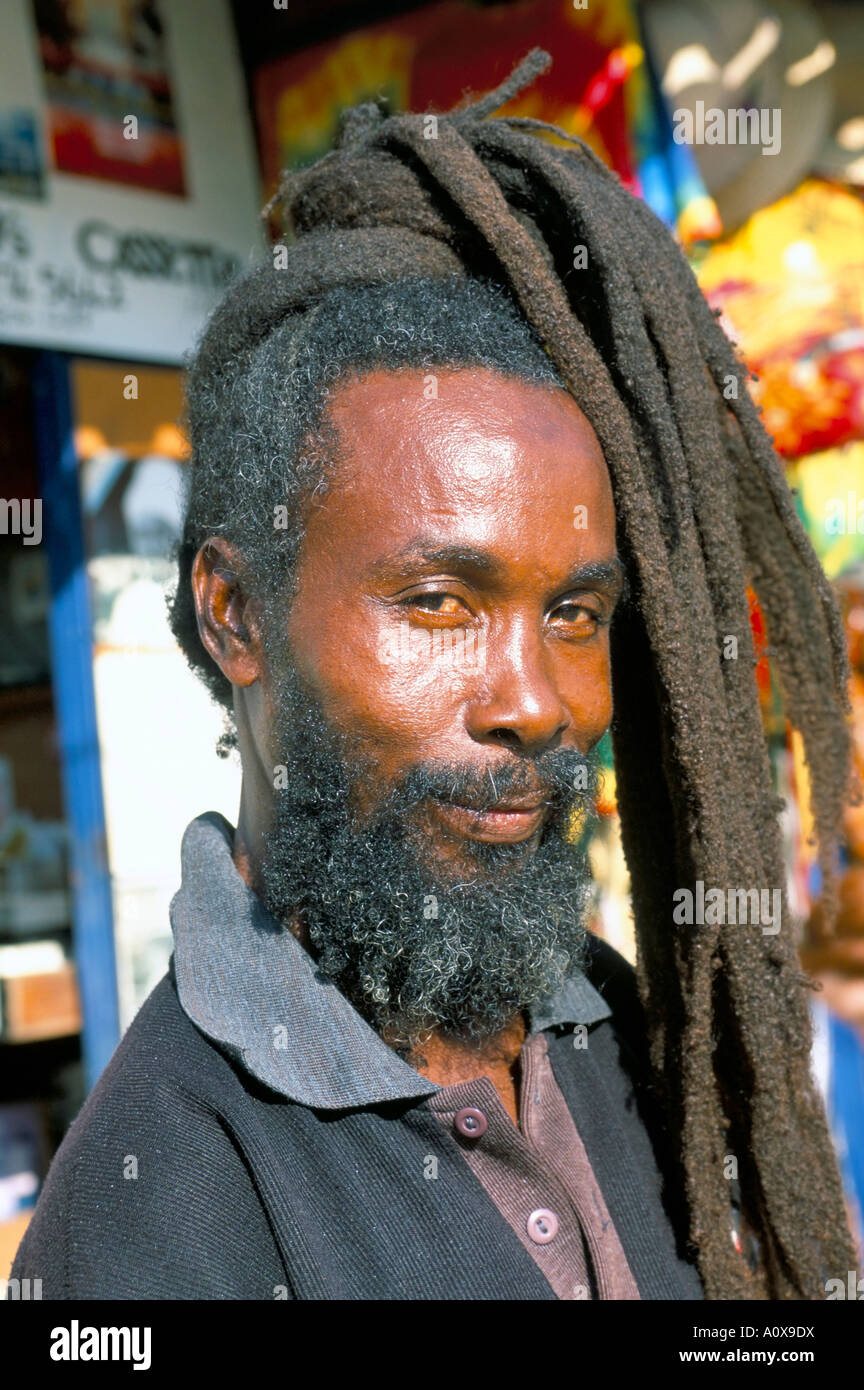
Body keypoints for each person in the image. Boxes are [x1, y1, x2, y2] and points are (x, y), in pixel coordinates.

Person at [11, 51, 856, 1301]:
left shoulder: (619, 1029)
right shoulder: (149, 1216)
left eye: (575, 611)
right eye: (440, 602)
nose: (536, 699)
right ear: (235, 615)